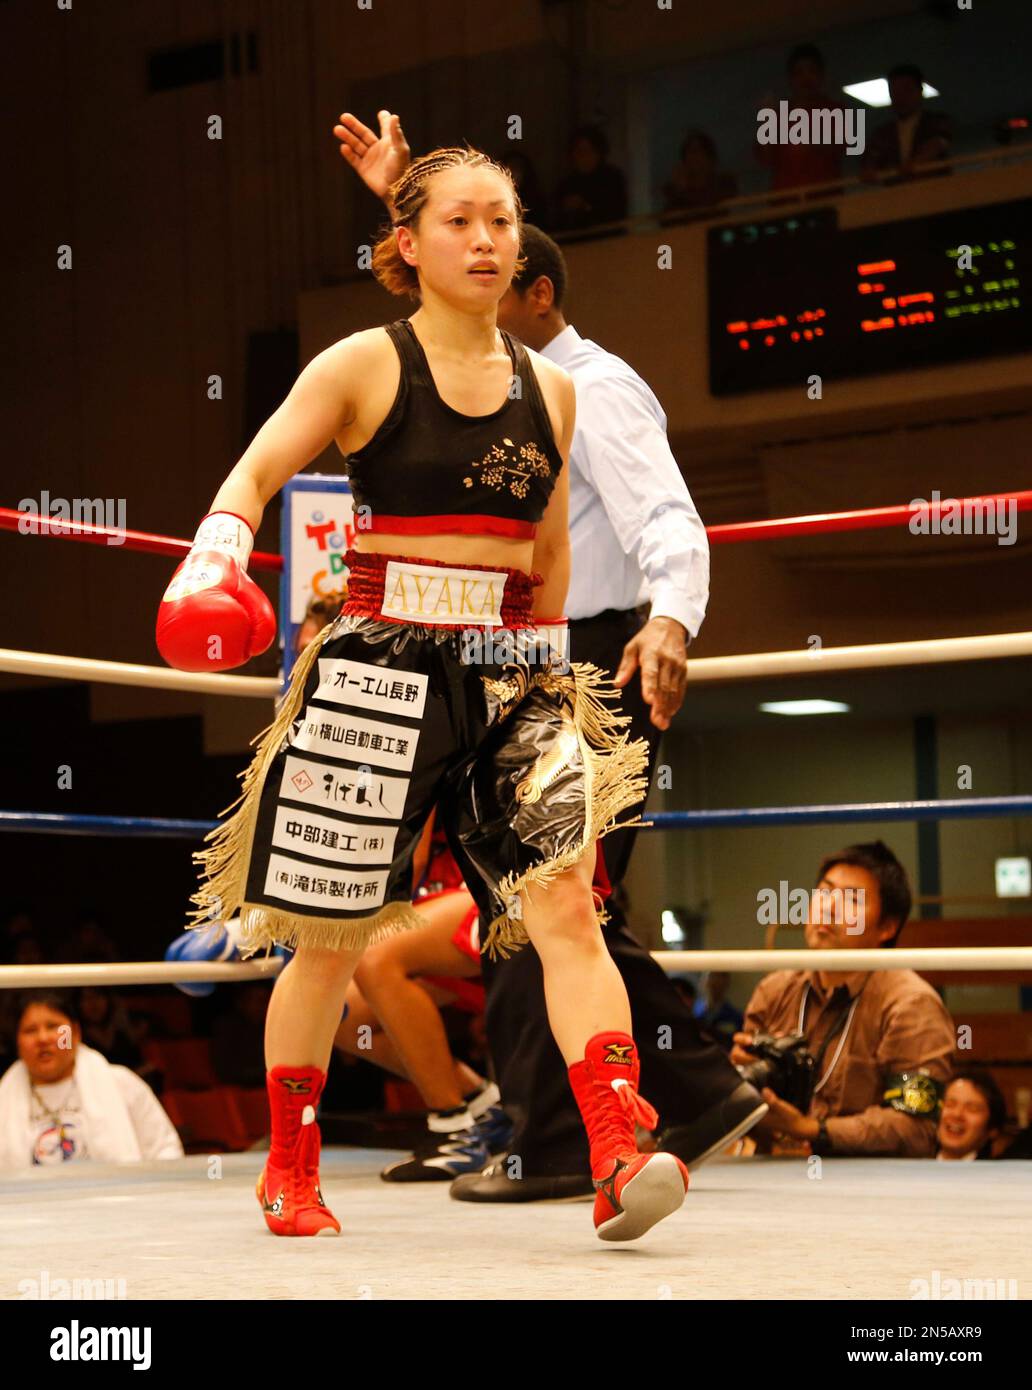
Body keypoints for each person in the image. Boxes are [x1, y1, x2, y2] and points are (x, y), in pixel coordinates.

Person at [155, 142, 691, 1243]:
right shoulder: (360, 363)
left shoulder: (556, 388)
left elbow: (545, 551)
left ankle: (613, 1150)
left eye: (501, 219)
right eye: (459, 221)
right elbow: (255, 474)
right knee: (328, 935)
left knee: (566, 908)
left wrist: (547, 682)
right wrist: (211, 556)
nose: (486, 239)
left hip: (514, 666)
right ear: (407, 243)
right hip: (377, 663)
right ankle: (291, 1169)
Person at [333, 109, 766, 1202]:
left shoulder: (593, 386)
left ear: (537, 289)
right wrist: (397, 191)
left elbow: (670, 519)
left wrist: (671, 620)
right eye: (464, 235)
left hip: (599, 658)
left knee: (537, 899)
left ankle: (555, 1140)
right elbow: (423, 272)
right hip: (514, 651)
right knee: (558, 899)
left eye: (502, 248)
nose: (479, 264)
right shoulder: (487, 378)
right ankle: (701, 1090)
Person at [732, 841, 956, 1157]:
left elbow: (915, 1127)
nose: (829, 907)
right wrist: (737, 1080)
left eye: (852, 899)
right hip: (771, 1172)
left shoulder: (911, 1004)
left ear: (887, 927)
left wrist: (809, 1129)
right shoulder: (775, 989)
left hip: (871, 1189)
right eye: (824, 893)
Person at [0, 992, 183, 1168]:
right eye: (30, 1030)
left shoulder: (121, 1082)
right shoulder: (4, 1097)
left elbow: (165, 1151)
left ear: (76, 1033)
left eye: (54, 1027)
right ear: (17, 1042)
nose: (43, 1038)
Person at [754, 44, 850, 193]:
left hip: (826, 197)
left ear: (821, 75)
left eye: (812, 71)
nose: (806, 78)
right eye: (799, 73)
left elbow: (843, 146)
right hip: (787, 200)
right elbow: (765, 159)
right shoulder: (778, 116)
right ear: (790, 79)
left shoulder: (837, 111)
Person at [862, 63, 952, 180]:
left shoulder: (937, 122)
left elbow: (938, 142)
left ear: (920, 91)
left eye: (906, 90)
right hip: (898, 195)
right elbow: (870, 160)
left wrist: (917, 162)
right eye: (894, 92)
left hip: (933, 191)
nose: (900, 97)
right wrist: (869, 169)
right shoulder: (882, 134)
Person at [660, 130, 737, 220]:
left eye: (698, 151)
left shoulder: (725, 183)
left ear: (710, 157)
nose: (694, 158)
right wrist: (678, 191)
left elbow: (717, 210)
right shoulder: (674, 190)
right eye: (690, 153)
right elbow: (667, 222)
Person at [936, 1071, 1006, 1161]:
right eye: (950, 1104)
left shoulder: (1000, 1174)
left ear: (992, 1130)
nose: (957, 1114)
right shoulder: (916, 1169)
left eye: (972, 1109)